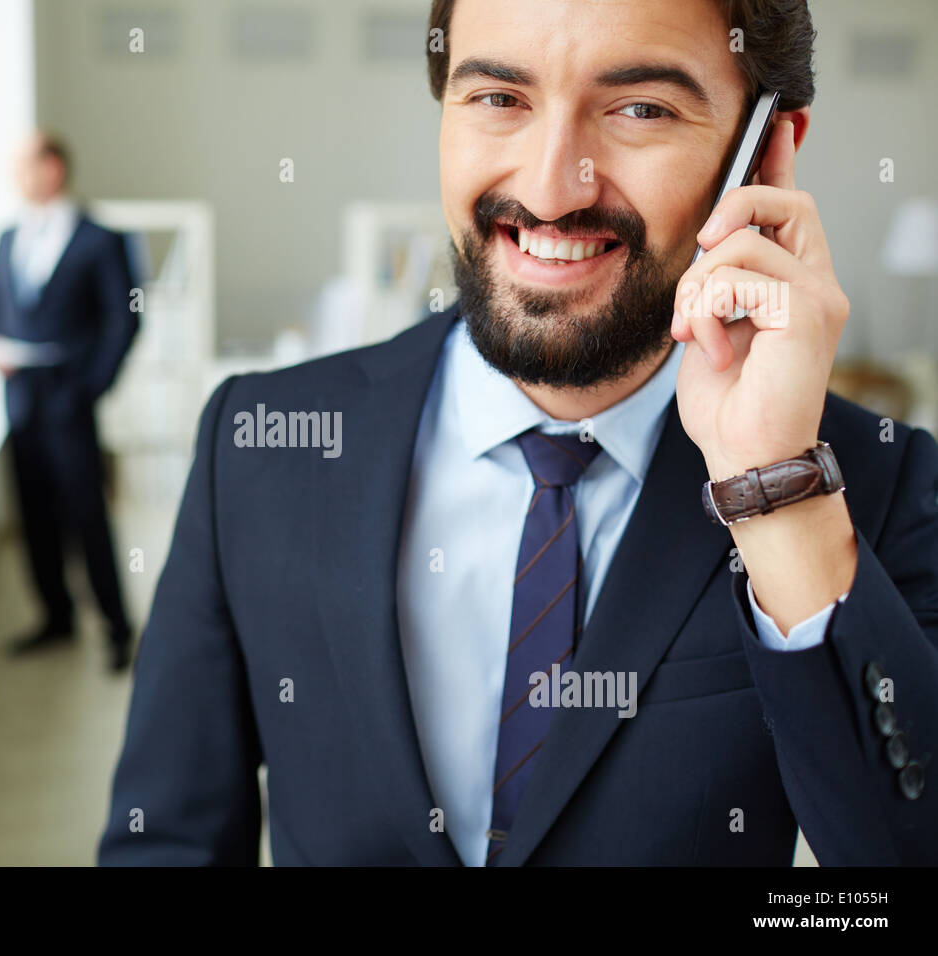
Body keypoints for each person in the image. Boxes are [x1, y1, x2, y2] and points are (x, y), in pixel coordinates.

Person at [99, 0, 938, 864]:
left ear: (764, 154)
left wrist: (775, 488)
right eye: (500, 97)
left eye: (640, 109)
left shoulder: (868, 489)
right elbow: (165, 843)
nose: (548, 190)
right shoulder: (260, 446)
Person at [0, 131, 139, 672]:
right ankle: (56, 617)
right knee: (33, 512)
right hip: (19, 393)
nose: (16, 176)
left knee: (86, 512)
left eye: (24, 164)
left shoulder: (100, 239)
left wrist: (89, 387)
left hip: (69, 392)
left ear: (52, 168)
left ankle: (117, 627)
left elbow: (124, 320)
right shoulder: (6, 237)